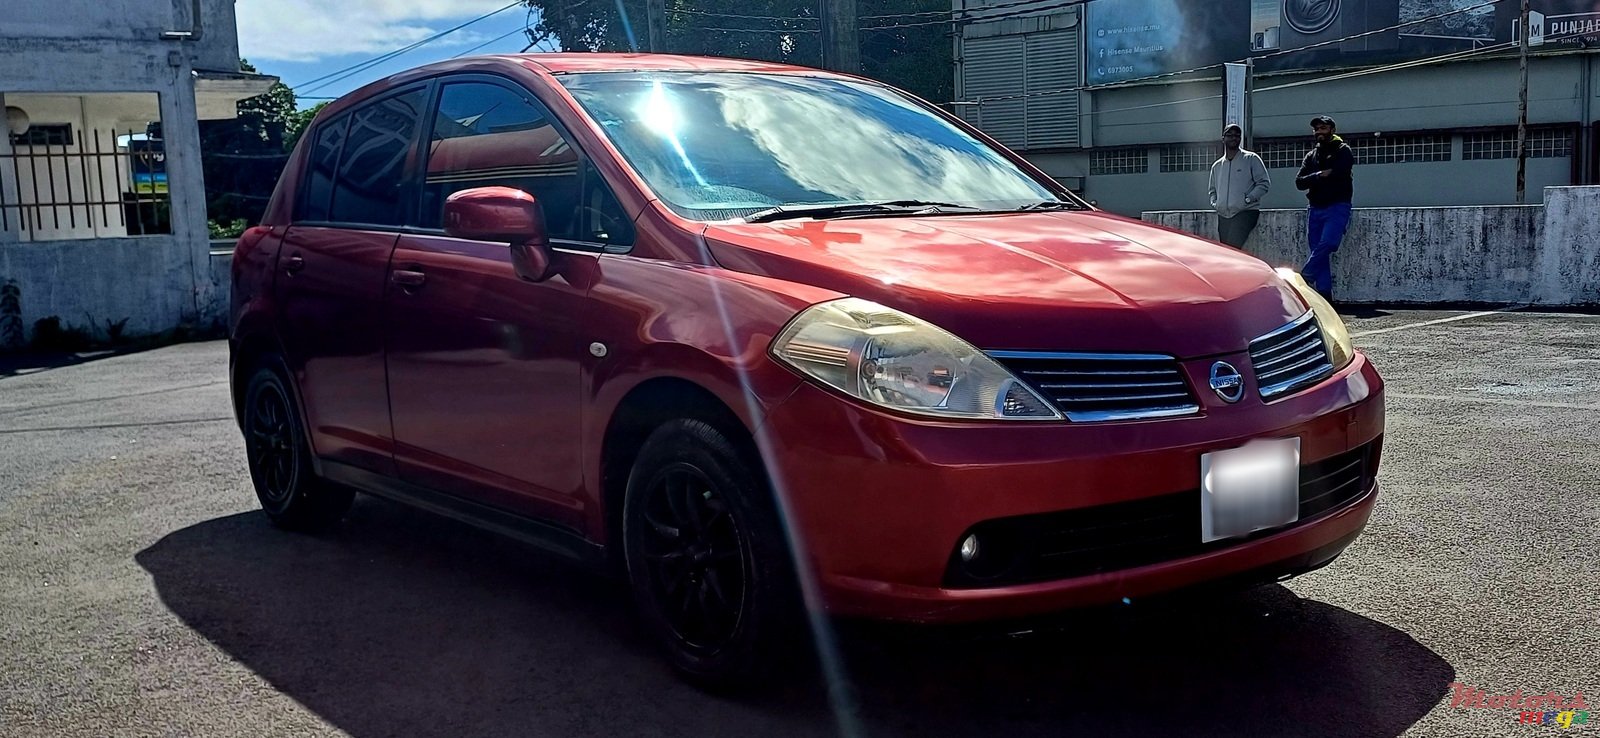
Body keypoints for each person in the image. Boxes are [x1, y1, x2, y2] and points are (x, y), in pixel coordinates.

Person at [1295, 115, 1355, 301]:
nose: (1319, 132)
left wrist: (1319, 177)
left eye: (1323, 128)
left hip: (1338, 205)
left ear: (1332, 130)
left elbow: (1340, 172)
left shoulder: (1343, 150)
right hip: (1315, 208)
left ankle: (1305, 275)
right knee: (1318, 253)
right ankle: (1325, 296)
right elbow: (1299, 182)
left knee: (1328, 243)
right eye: (1316, 129)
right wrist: (1320, 175)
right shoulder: (1311, 156)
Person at [1208, 123, 1270, 248]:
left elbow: (1264, 183)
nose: (1233, 138)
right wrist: (1215, 203)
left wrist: (1248, 199)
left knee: (1233, 246)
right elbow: (1212, 190)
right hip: (1223, 215)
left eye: (1237, 135)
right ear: (1223, 138)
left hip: (1245, 212)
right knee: (1226, 250)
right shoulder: (1217, 165)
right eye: (1229, 135)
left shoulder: (1251, 159)